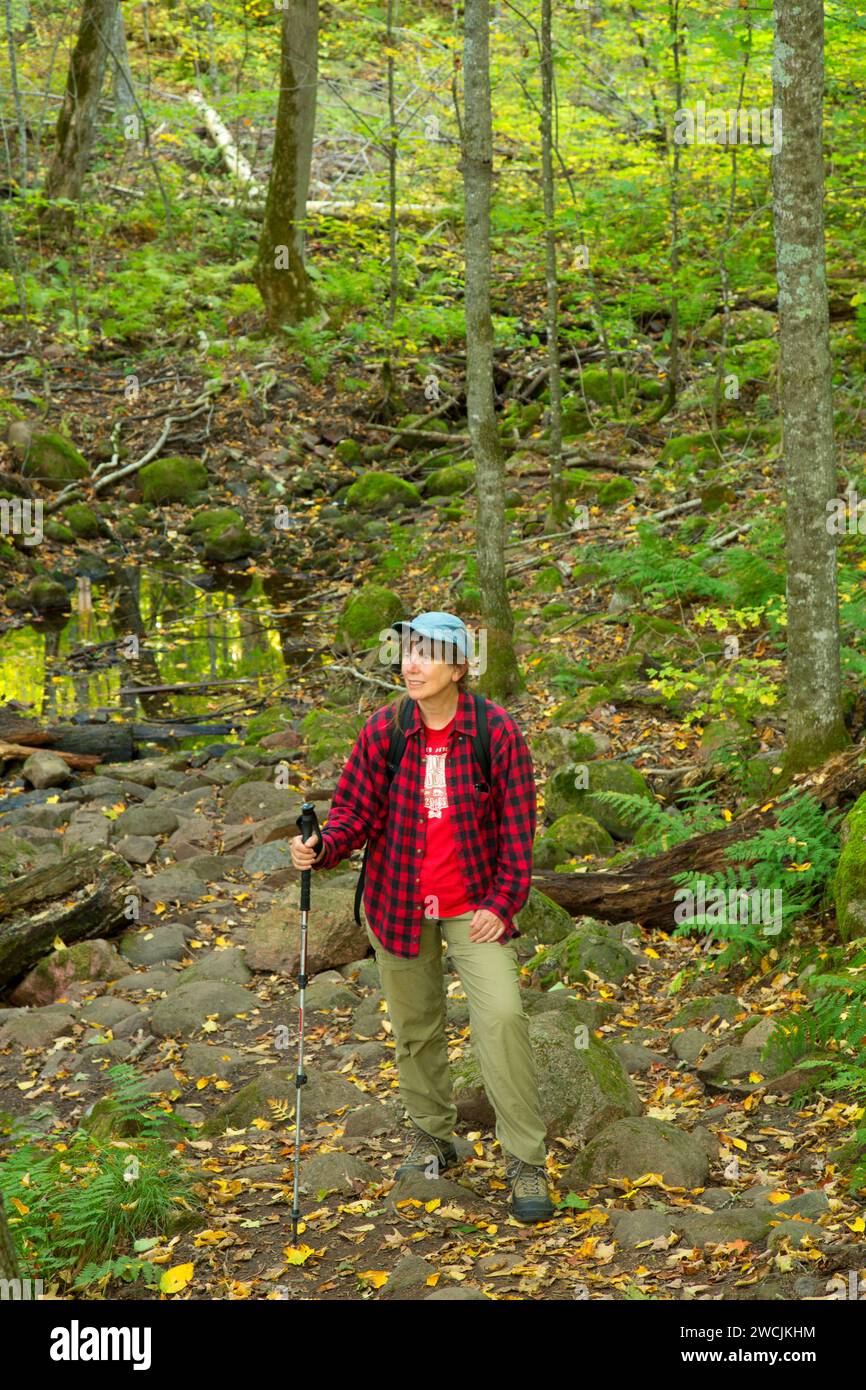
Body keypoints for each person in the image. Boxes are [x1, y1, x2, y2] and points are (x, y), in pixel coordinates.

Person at [290, 610, 554, 1224]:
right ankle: (434, 1138)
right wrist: (321, 847)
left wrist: (502, 902)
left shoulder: (497, 733)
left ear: (459, 666)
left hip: (474, 905)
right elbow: (353, 815)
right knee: (415, 1029)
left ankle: (525, 1160)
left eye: (427, 654)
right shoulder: (384, 730)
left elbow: (518, 834)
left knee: (504, 1018)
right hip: (398, 901)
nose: (411, 664)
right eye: (407, 651)